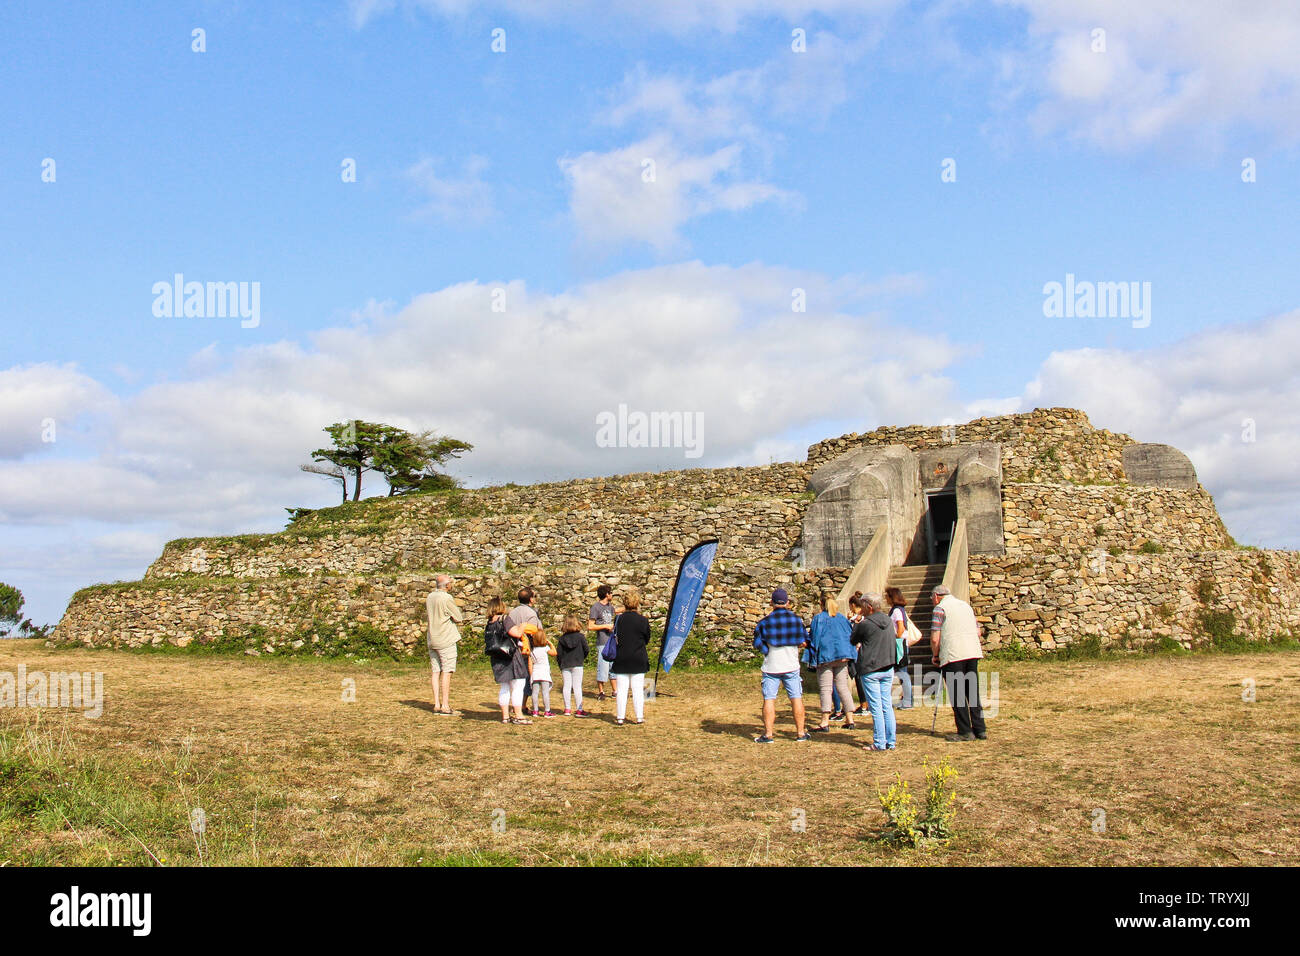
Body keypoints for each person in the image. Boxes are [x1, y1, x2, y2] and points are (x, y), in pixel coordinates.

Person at [752, 588, 810, 743]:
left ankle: (769, 734)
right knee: (796, 698)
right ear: (787, 603)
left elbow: (757, 643)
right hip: (791, 664)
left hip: (772, 665)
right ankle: (800, 733)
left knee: (769, 699)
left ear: (771, 603)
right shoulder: (796, 620)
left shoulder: (765, 622)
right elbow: (805, 640)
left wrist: (766, 650)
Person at [929, 585, 987, 741]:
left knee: (958, 694)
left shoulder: (940, 609)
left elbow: (935, 637)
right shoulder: (966, 606)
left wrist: (935, 654)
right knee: (972, 692)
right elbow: (978, 632)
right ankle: (980, 729)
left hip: (953, 654)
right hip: (972, 652)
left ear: (936, 596)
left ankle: (965, 731)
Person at [851, 592, 897, 751]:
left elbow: (853, 639)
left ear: (869, 607)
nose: (860, 609)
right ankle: (890, 741)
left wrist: (856, 622)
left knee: (876, 707)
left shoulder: (865, 624)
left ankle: (879, 742)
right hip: (887, 666)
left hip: (870, 669)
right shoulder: (888, 620)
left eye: (862, 606)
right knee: (886, 705)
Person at [807, 593, 856, 732]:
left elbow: (814, 638)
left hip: (826, 656)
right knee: (843, 687)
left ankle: (825, 721)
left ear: (821, 604)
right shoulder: (842, 618)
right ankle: (850, 718)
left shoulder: (819, 619)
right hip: (842, 656)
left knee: (826, 689)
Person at [610, 587, 651, 725]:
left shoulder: (619, 620)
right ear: (637, 603)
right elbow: (647, 639)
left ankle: (620, 717)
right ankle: (639, 716)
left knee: (621, 690)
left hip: (621, 657)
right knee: (638, 689)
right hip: (638, 657)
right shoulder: (643, 620)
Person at [486, 596, 530, 724]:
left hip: (497, 657)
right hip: (511, 656)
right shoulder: (505, 619)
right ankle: (518, 715)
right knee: (518, 685)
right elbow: (516, 633)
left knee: (504, 687)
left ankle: (505, 716)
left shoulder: (490, 623)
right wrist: (522, 626)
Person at [424, 574, 464, 715]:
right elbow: (458, 617)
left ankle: (436, 703)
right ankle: (445, 705)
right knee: (447, 672)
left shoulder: (430, 597)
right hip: (445, 638)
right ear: (447, 585)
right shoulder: (446, 598)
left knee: (436, 671)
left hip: (432, 637)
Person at [886, 586, 918, 710]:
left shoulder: (897, 611)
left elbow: (901, 627)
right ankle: (907, 699)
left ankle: (908, 701)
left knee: (902, 673)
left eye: (887, 596)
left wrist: (897, 639)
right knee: (901, 673)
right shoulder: (898, 610)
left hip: (899, 644)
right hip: (901, 643)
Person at [556, 615, 590, 717]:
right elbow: (586, 649)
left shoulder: (562, 639)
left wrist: (560, 664)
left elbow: (559, 654)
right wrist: (581, 658)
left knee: (566, 686)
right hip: (577, 663)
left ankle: (567, 709)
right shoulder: (581, 637)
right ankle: (579, 709)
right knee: (577, 687)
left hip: (566, 664)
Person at [588, 585, 617, 701]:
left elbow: (617, 611)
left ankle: (615, 691)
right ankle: (601, 691)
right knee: (602, 666)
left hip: (611, 641)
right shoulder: (595, 607)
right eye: (611, 593)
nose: (612, 595)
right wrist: (605, 626)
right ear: (606, 594)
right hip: (602, 641)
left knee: (613, 666)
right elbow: (590, 626)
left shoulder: (610, 607)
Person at [847, 592, 869, 717]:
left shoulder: (860, 618)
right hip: (860, 650)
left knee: (859, 678)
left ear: (853, 605)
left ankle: (864, 704)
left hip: (859, 650)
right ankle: (865, 704)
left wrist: (851, 619)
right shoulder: (863, 617)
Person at [528, 628, 558, 717]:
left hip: (536, 673)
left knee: (535, 693)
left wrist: (531, 675)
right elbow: (554, 653)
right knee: (545, 692)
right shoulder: (545, 648)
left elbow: (530, 664)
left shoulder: (532, 651)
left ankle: (535, 710)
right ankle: (547, 711)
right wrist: (551, 644)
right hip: (544, 673)